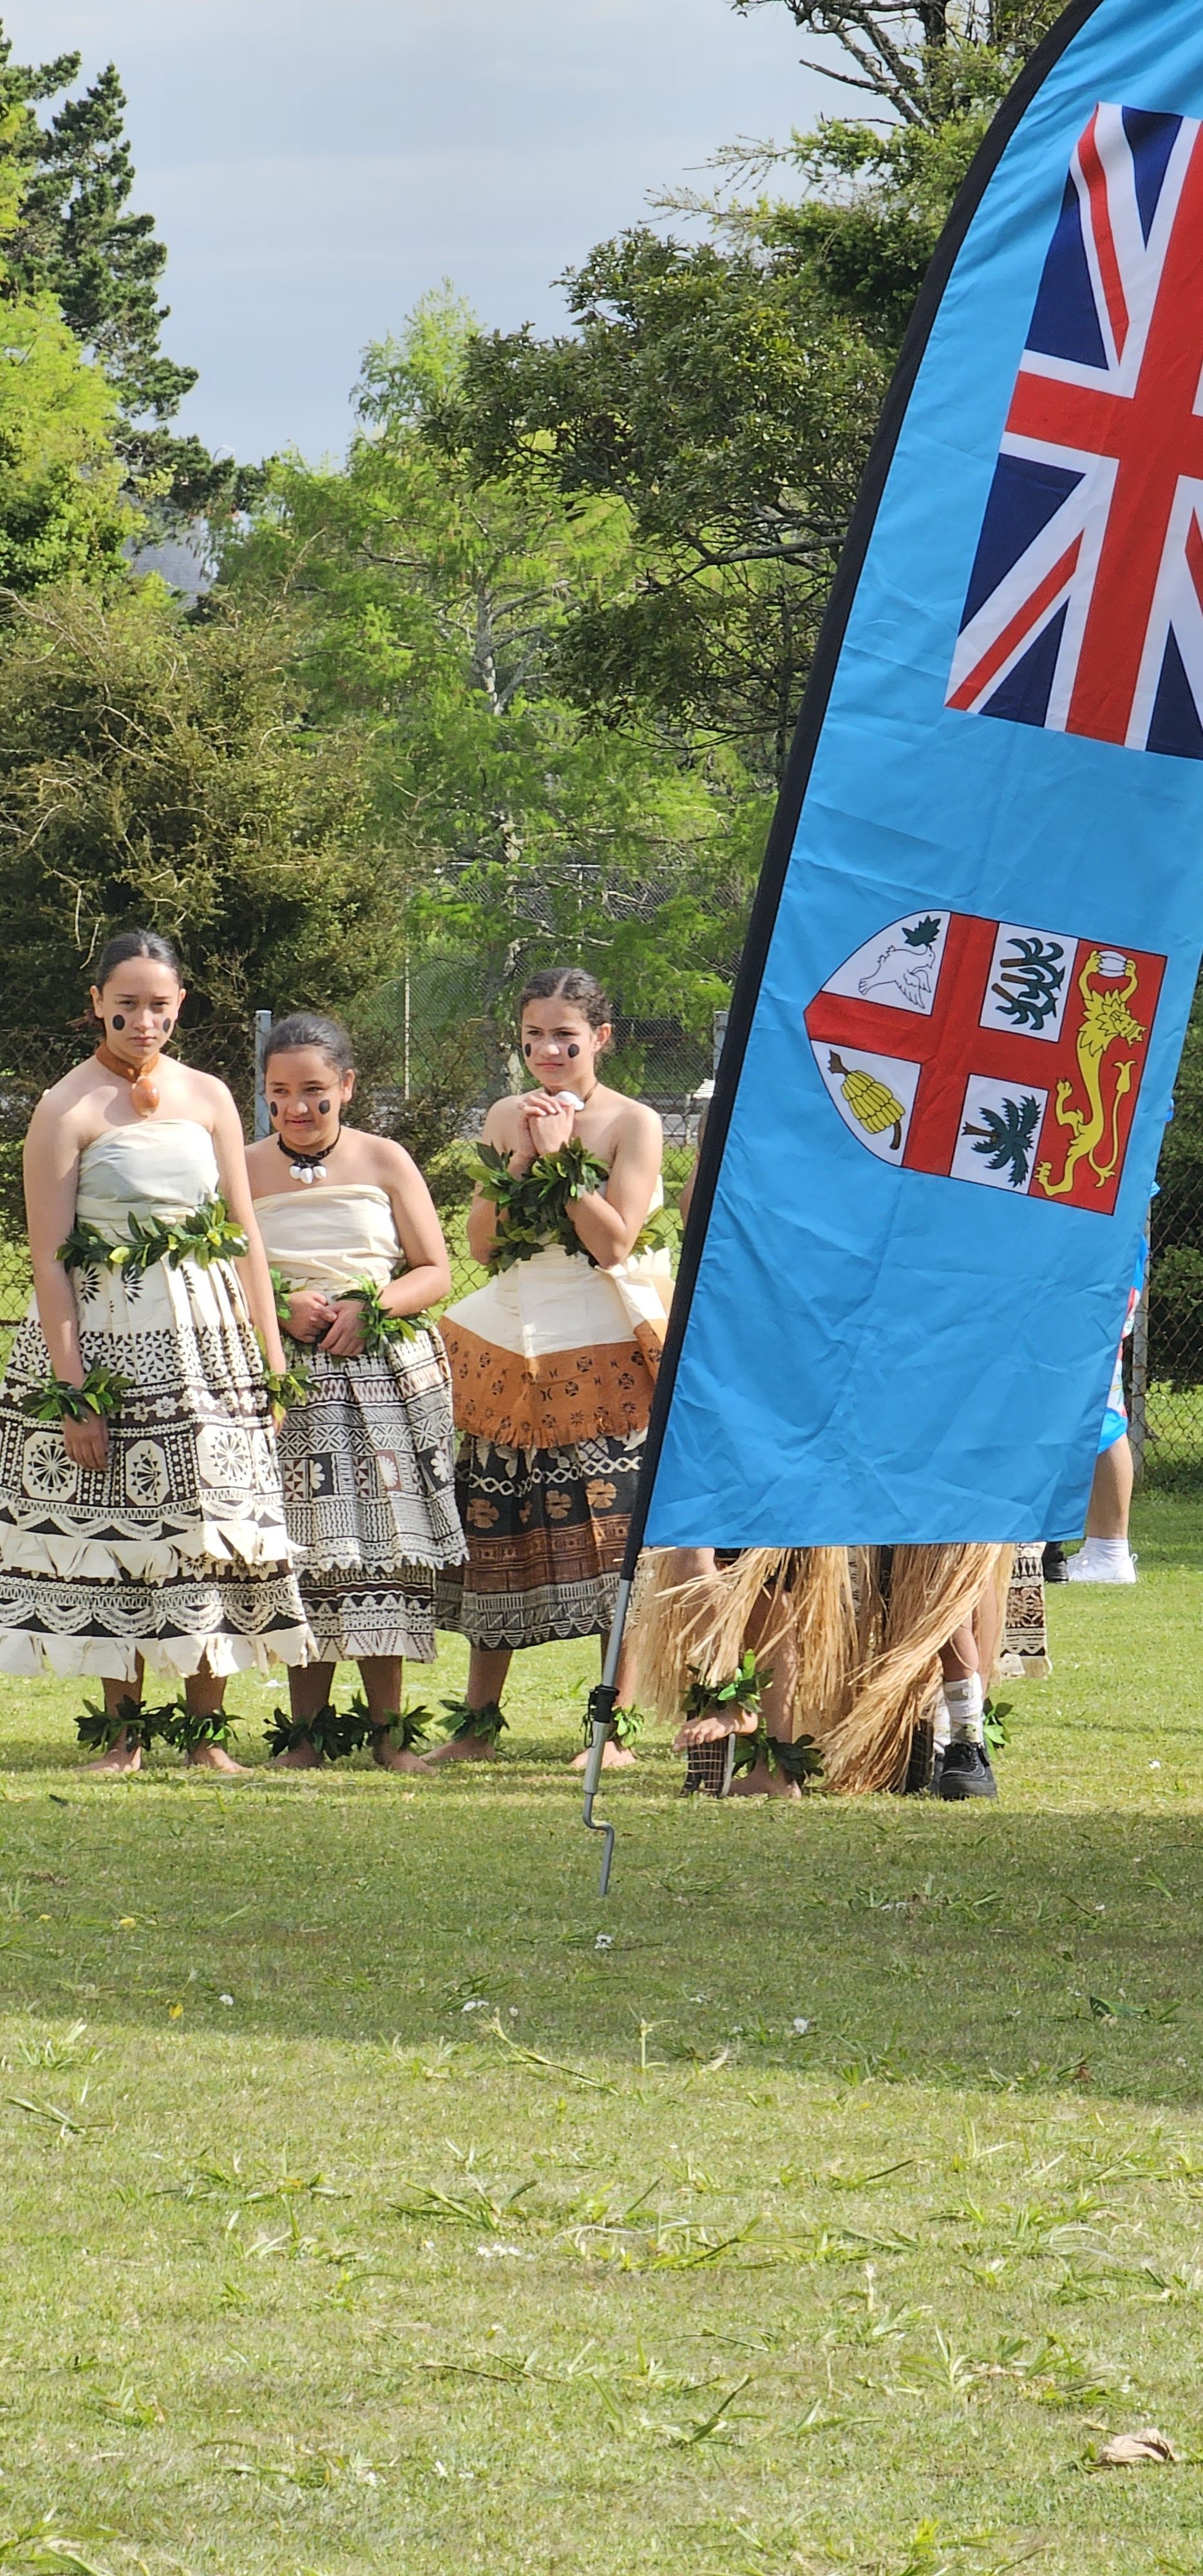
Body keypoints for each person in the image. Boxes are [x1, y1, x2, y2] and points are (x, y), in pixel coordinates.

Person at [0, 929, 310, 1769]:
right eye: (127, 1004)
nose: (143, 1021)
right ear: (97, 1003)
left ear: (180, 1007)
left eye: (159, 1006)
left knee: (211, 1530)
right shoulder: (66, 1107)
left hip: (209, 1346)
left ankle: (205, 1739)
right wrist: (75, 1393)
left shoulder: (209, 1096)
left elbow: (242, 1233)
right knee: (122, 1538)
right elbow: (50, 1259)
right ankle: (124, 1736)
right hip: (109, 1347)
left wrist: (272, 1362)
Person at [433, 968, 666, 1763]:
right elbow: (482, 1244)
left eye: (565, 1036)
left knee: (611, 1542)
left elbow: (613, 1243)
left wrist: (564, 1156)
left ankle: (609, 1734)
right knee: (492, 1526)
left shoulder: (633, 1122)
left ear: (600, 1037)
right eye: (533, 1035)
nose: (548, 1050)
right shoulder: (507, 1116)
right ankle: (475, 1727)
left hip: (602, 1347)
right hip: (513, 1343)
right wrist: (521, 1159)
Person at [246, 1012, 464, 1770]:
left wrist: (372, 1307)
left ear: (346, 1085)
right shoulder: (242, 1167)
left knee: (381, 1553)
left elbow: (433, 1270)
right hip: (288, 1380)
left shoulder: (384, 1158)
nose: (296, 1107)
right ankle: (303, 1737)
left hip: (380, 1379)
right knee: (305, 1552)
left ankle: (388, 1737)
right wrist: (279, 1304)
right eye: (279, 1093)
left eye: (313, 1090)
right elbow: (221, 1268)